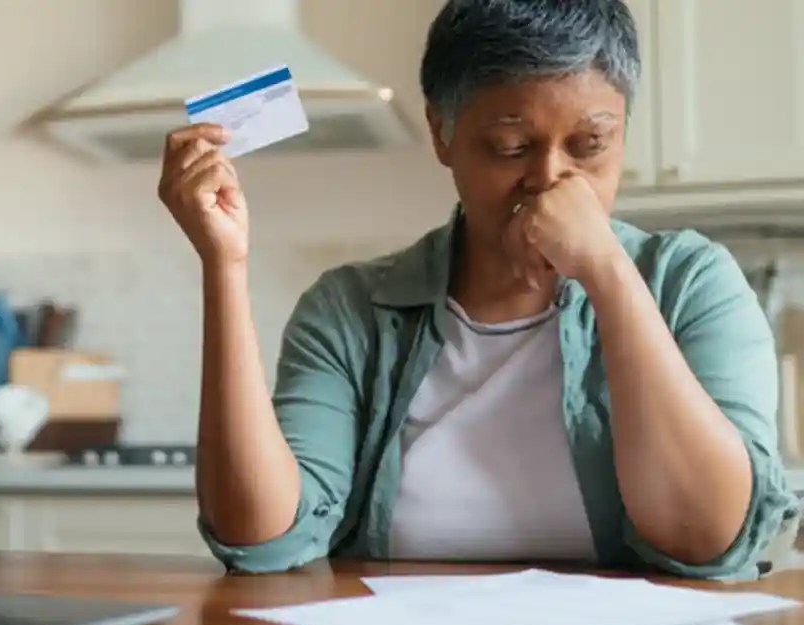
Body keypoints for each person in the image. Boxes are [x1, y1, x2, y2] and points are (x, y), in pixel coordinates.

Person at [156, 0, 797, 580]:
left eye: (590, 145)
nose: (550, 179)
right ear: (443, 135)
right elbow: (262, 538)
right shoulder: (350, 310)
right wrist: (225, 264)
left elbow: (709, 536)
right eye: (510, 146)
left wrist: (605, 270)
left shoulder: (690, 283)